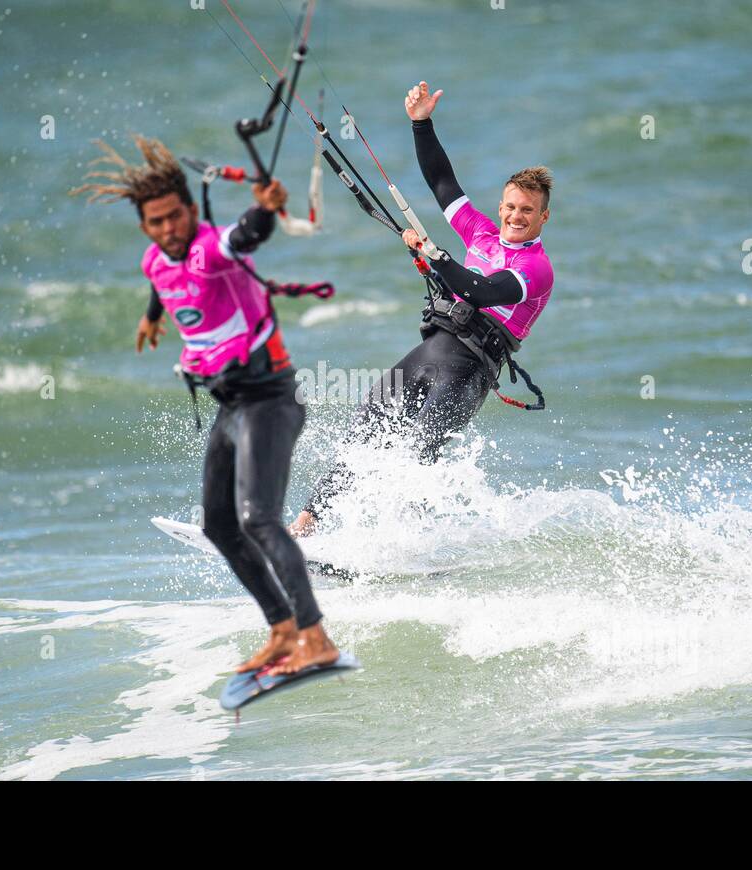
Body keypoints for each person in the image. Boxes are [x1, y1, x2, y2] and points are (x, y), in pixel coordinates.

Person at [72, 136, 337, 676]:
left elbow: (245, 238)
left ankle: (316, 637)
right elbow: (161, 278)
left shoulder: (214, 248)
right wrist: (151, 316)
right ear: (145, 225)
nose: (168, 230)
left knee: (260, 521)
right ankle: (283, 631)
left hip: (269, 401)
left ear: (192, 211)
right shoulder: (155, 259)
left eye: (175, 217)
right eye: (156, 222)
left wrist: (265, 209)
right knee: (219, 526)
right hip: (230, 408)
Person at [290, 81, 556, 536]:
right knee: (366, 430)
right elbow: (441, 181)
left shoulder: (537, 267)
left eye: (527, 210)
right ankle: (306, 524)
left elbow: (480, 291)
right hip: (433, 351)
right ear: (501, 206)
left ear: (543, 217)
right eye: (511, 206)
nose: (516, 216)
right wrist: (421, 123)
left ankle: (402, 544)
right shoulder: (481, 234)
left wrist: (434, 255)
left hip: (469, 370)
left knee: (415, 453)